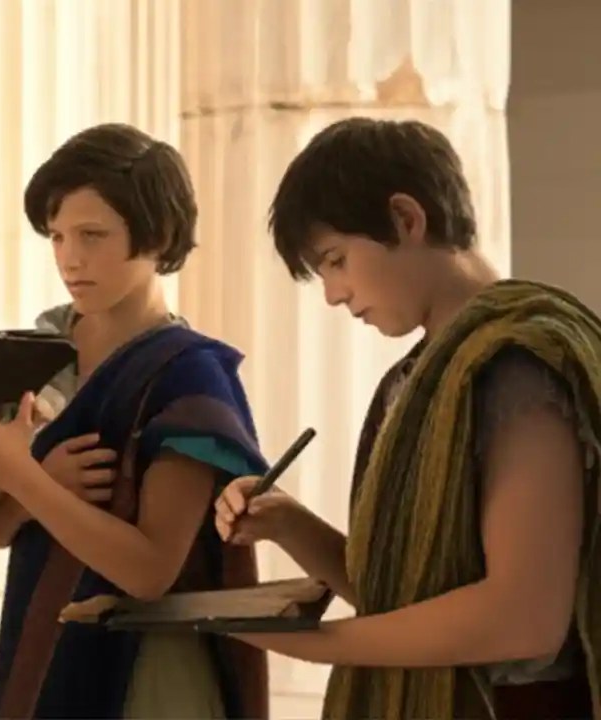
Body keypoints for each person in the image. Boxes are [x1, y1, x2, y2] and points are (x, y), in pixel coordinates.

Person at [214, 118, 600, 719]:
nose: (333, 294)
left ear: (405, 218)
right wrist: (289, 525)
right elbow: (407, 596)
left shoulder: (516, 364)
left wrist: (317, 644)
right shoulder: (416, 379)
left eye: (336, 260)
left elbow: (524, 620)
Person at [0, 123, 272, 719]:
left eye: (92, 235)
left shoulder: (188, 374)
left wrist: (22, 475)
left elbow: (150, 569)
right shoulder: (41, 350)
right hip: (45, 641)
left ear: (156, 235)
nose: (69, 259)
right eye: (56, 237)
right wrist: (36, 486)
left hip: (148, 669)